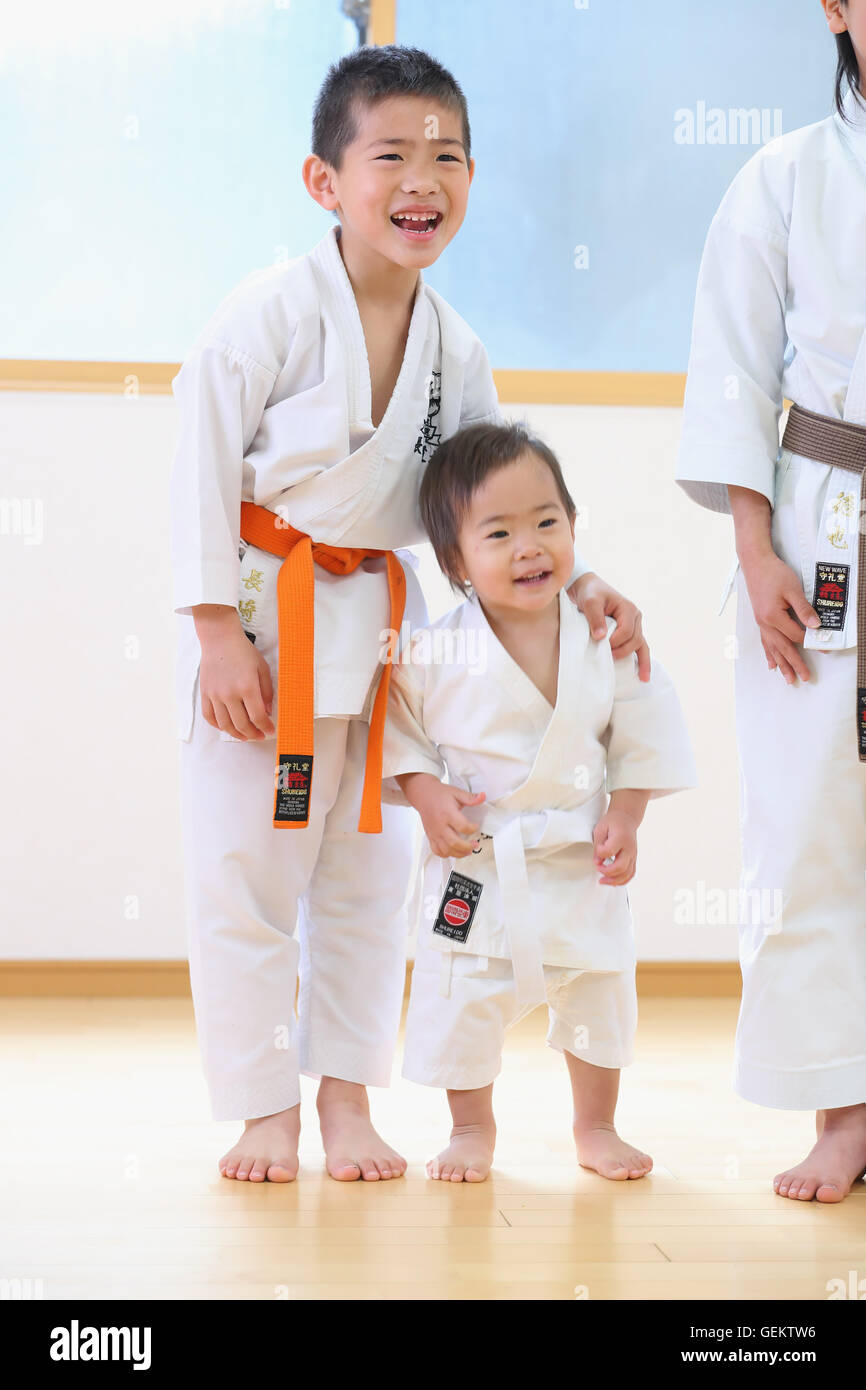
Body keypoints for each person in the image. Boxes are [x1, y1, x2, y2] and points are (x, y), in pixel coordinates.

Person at [170, 46, 649, 1184]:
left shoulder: (455, 348)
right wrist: (211, 633)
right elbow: (196, 464)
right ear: (323, 180)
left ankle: (344, 1099)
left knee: (363, 884)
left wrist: (575, 583)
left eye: (445, 156)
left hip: (382, 641)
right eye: (389, 153)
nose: (419, 178)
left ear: (472, 180)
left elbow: (489, 506)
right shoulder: (268, 314)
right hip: (267, 626)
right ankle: (259, 1109)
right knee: (246, 874)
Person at [380, 422, 696, 1182]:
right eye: (499, 532)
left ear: (574, 529)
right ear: (455, 561)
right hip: (480, 859)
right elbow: (398, 733)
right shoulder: (434, 648)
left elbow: (643, 729)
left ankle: (596, 1125)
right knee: (462, 996)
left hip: (580, 856)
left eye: (547, 522)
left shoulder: (603, 635)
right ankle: (470, 1129)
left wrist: (627, 813)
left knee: (599, 993)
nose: (530, 546)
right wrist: (426, 797)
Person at [676, 1, 866, 1201]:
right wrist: (754, 550)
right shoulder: (783, 178)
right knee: (805, 820)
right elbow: (731, 368)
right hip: (823, 517)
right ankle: (842, 1110)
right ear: (837, 8)